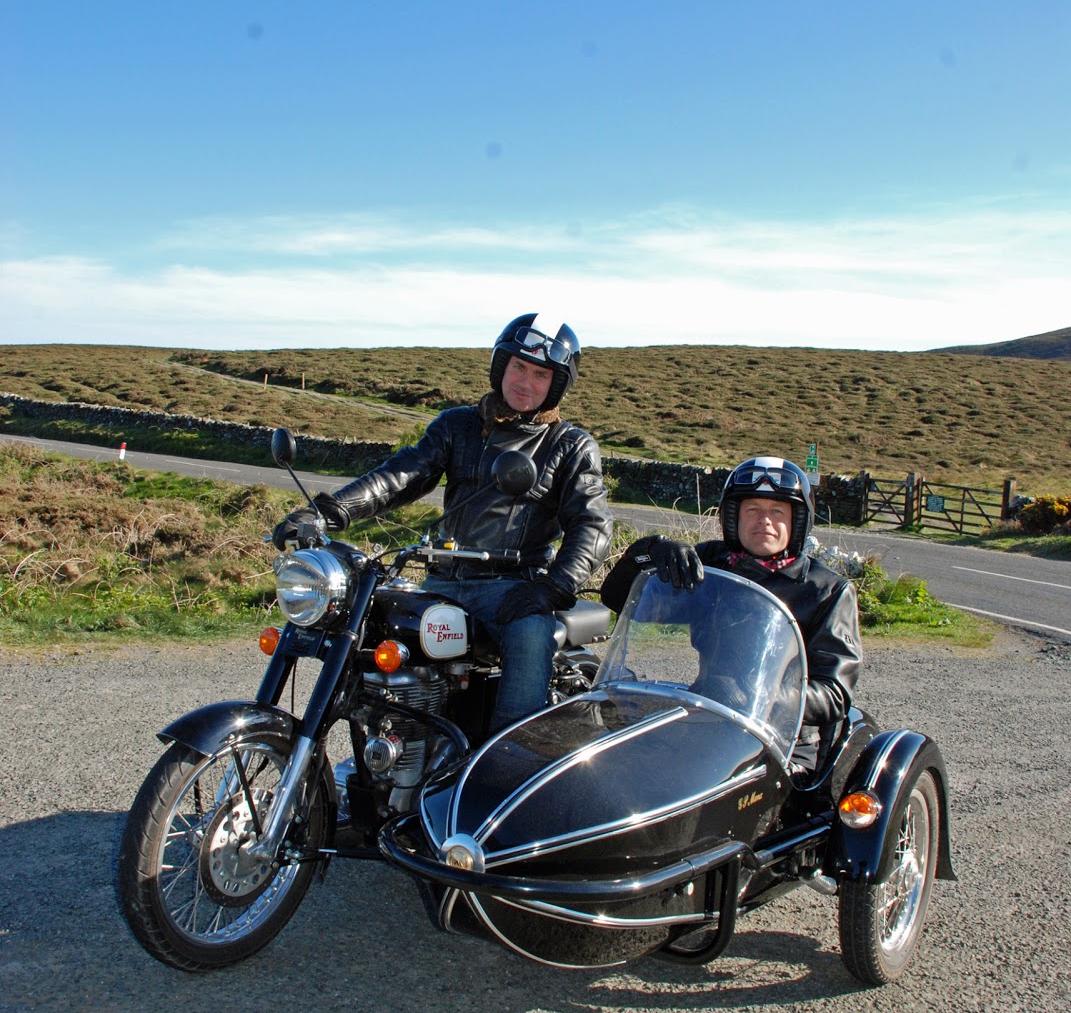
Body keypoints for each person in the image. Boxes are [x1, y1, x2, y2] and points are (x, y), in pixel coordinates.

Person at [273, 314, 613, 732]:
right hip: (441, 580)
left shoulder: (569, 444)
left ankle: (509, 765)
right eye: (519, 367)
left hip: (513, 589)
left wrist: (554, 586)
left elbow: (592, 524)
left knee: (529, 639)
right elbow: (400, 477)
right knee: (366, 636)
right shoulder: (457, 426)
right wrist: (325, 512)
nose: (525, 381)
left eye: (540, 374)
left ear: (555, 385)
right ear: (500, 366)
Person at [600, 456, 861, 771]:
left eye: (777, 511)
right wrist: (647, 553)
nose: (764, 520)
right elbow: (623, 601)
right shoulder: (712, 564)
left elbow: (834, 694)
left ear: (797, 521)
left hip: (784, 740)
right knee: (623, 768)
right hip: (707, 715)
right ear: (734, 517)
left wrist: (766, 694)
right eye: (752, 510)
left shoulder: (827, 590)